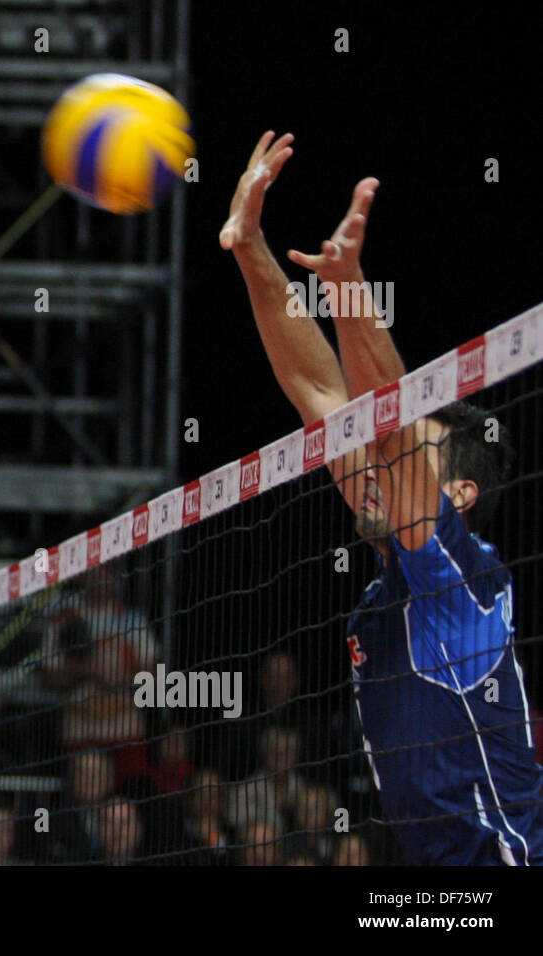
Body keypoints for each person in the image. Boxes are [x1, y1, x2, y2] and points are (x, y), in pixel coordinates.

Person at [221, 131, 543, 864]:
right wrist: (250, 248)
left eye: (403, 464)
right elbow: (319, 390)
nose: (370, 464)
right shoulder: (389, 583)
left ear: (457, 493)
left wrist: (348, 287)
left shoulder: (462, 578)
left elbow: (389, 427)